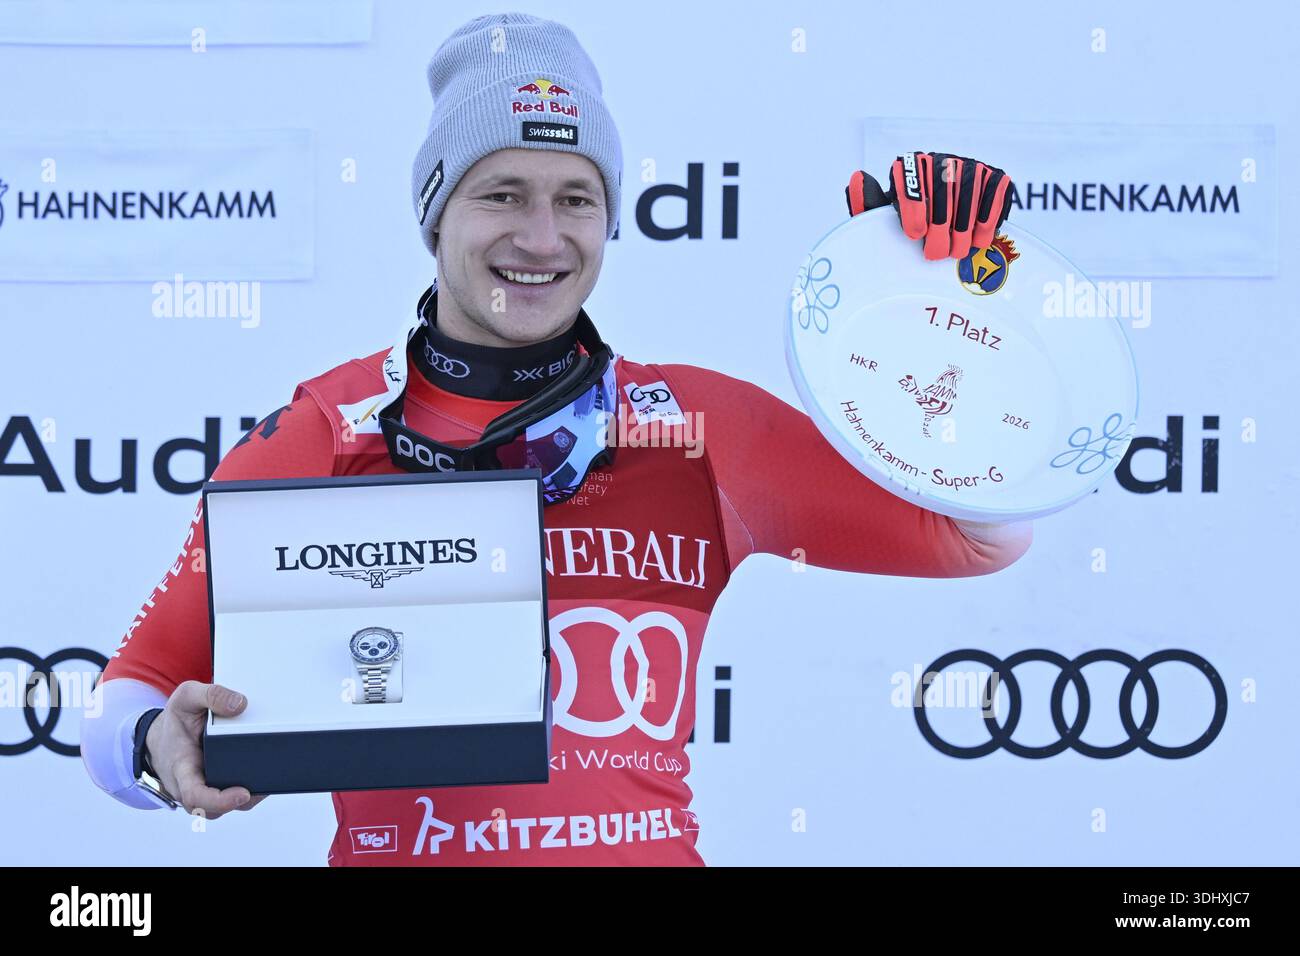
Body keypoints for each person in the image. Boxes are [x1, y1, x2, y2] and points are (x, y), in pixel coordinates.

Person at [82, 11, 1030, 865]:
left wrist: (942, 307)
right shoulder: (331, 429)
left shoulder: (694, 429)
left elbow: (978, 536)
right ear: (435, 215)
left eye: (576, 199)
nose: (542, 238)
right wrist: (150, 750)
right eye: (501, 193)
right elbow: (126, 696)